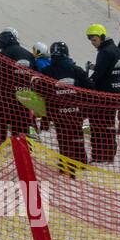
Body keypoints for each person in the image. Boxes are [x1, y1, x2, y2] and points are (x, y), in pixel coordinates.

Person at [38, 41, 90, 169]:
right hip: (77, 109)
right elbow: (90, 88)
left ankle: (66, 163)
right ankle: (81, 161)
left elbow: (41, 90)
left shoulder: (47, 71)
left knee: (63, 136)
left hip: (57, 110)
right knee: (77, 133)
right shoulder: (76, 70)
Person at [0, 29, 36, 152]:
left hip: (7, 94)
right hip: (25, 95)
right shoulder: (28, 54)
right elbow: (36, 74)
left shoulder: (3, 55)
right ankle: (24, 148)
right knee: (22, 122)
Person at [84, 23, 120, 163]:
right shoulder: (115, 49)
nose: (93, 43)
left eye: (94, 40)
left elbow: (99, 74)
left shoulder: (105, 52)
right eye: (91, 41)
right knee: (109, 124)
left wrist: (87, 82)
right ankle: (109, 154)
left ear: (101, 37)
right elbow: (110, 69)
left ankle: (99, 156)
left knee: (98, 125)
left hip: (103, 95)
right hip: (115, 92)